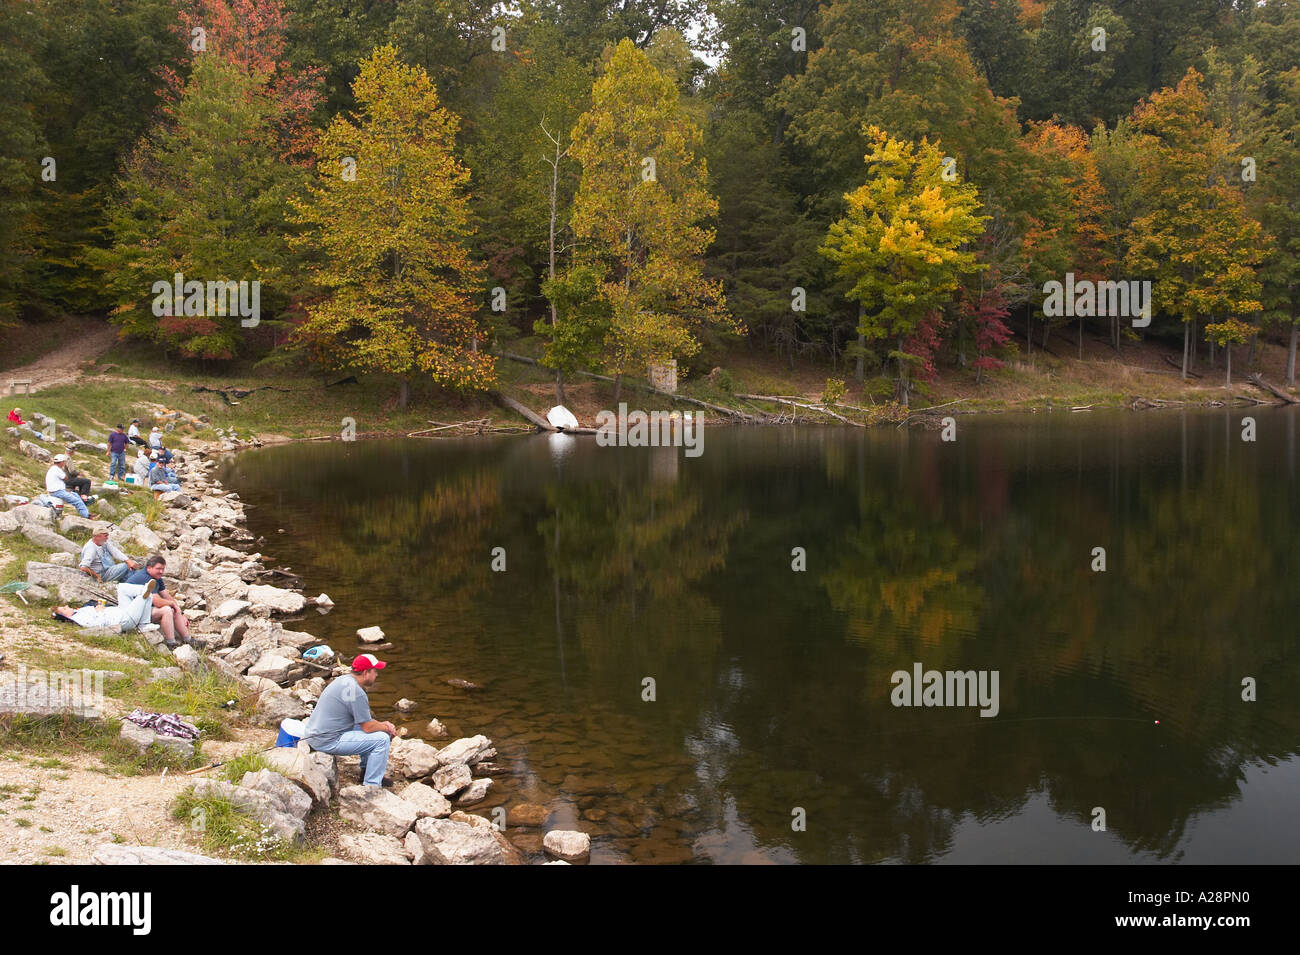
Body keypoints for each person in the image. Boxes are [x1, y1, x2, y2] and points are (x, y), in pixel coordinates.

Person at [301, 654, 399, 787]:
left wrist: (382, 725)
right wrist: (387, 727)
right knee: (382, 739)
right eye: (375, 671)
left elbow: (365, 722)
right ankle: (372, 785)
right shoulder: (357, 692)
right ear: (365, 673)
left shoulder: (344, 680)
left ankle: (366, 772)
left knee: (378, 730)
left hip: (316, 734)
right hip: (327, 740)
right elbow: (368, 727)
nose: (377, 674)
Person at [125, 555, 192, 648]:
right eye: (158, 569)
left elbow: (166, 596)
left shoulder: (156, 577)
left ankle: (188, 639)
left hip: (145, 609)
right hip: (134, 613)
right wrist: (172, 604)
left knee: (173, 609)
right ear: (149, 568)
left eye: (163, 569)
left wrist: (180, 613)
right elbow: (157, 601)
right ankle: (171, 643)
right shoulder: (144, 578)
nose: (161, 571)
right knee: (167, 610)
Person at [53, 580, 157, 633]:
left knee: (121, 588)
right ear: (66, 616)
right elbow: (98, 625)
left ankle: (144, 589)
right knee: (143, 597)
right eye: (64, 608)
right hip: (124, 620)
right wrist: (100, 611)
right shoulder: (79, 619)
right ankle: (143, 624)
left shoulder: (79, 611)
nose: (66, 606)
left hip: (120, 611)